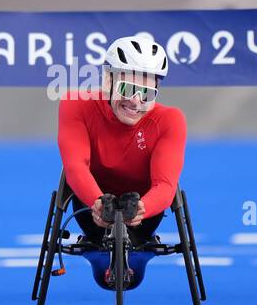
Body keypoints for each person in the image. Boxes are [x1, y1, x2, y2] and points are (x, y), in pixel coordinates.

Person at [57, 36, 187, 289]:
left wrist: (142, 208)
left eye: (147, 94)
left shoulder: (170, 119)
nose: (136, 102)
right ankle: (99, 254)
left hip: (142, 212)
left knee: (134, 230)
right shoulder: (75, 104)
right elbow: (75, 166)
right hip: (90, 207)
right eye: (127, 89)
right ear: (108, 80)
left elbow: (165, 184)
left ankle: (136, 255)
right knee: (98, 210)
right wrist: (97, 203)